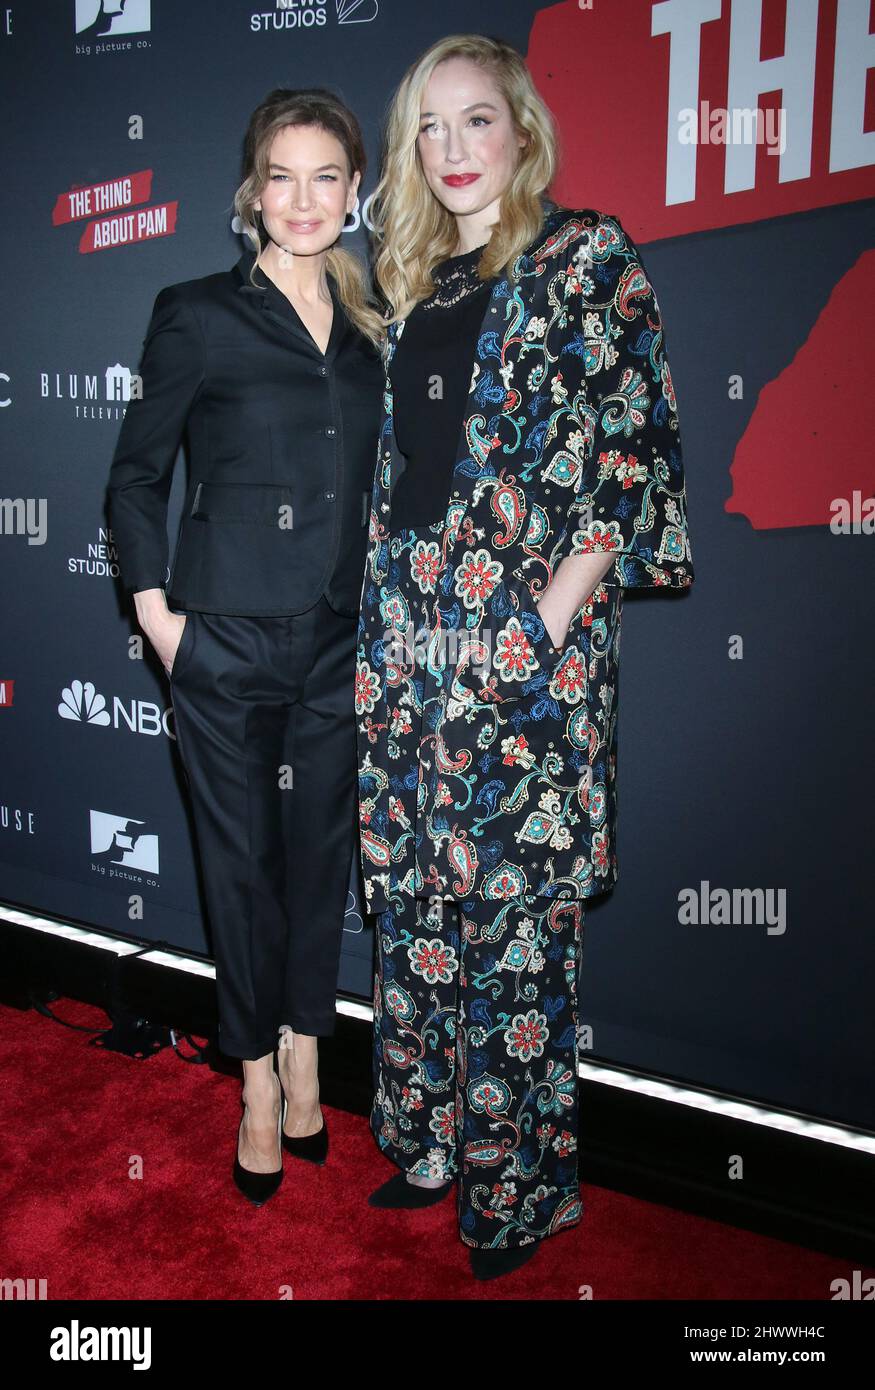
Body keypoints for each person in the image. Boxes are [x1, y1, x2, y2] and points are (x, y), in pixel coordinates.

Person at [355, 34, 694, 1279]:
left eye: (474, 121)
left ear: (521, 130)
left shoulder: (584, 256)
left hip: (521, 653)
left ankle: (520, 1190)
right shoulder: (405, 282)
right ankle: (431, 1143)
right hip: (405, 649)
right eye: (427, 130)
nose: (451, 150)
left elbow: (631, 453)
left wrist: (546, 619)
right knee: (411, 911)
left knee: (507, 926)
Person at [107, 89, 385, 1207]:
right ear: (249, 192)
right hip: (220, 636)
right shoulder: (196, 312)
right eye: (283, 175)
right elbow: (135, 475)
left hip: (336, 639)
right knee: (240, 868)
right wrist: (161, 618)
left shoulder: (376, 328)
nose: (304, 198)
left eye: (327, 176)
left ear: (354, 192)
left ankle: (309, 1044)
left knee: (320, 860)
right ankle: (257, 1081)